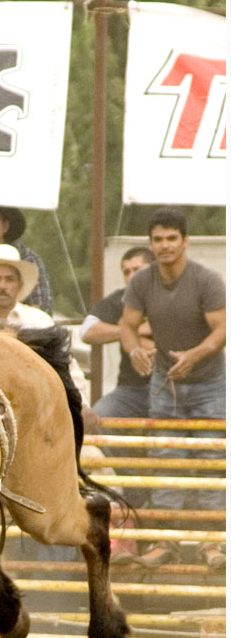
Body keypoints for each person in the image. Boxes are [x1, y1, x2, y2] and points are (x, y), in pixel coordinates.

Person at [120, 208, 226, 569]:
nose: (164, 245)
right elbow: (127, 324)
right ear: (151, 244)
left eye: (171, 238)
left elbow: (221, 330)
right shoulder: (142, 281)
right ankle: (166, 542)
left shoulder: (206, 280)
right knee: (165, 461)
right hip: (166, 382)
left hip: (209, 383)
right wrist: (134, 349)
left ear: (185, 241)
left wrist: (194, 356)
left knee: (212, 462)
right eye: (158, 239)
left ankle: (214, 546)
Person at [0, 243, 90, 406]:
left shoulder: (39, 322)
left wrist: (81, 405)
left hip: (31, 405)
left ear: (19, 285)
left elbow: (67, 366)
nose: (2, 286)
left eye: (9, 279)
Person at [81, 246, 155, 419]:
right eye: (126, 272)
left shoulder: (170, 295)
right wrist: (130, 331)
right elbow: (87, 331)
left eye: (137, 270)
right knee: (98, 417)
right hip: (130, 388)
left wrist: (133, 336)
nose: (131, 277)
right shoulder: (121, 298)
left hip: (171, 387)